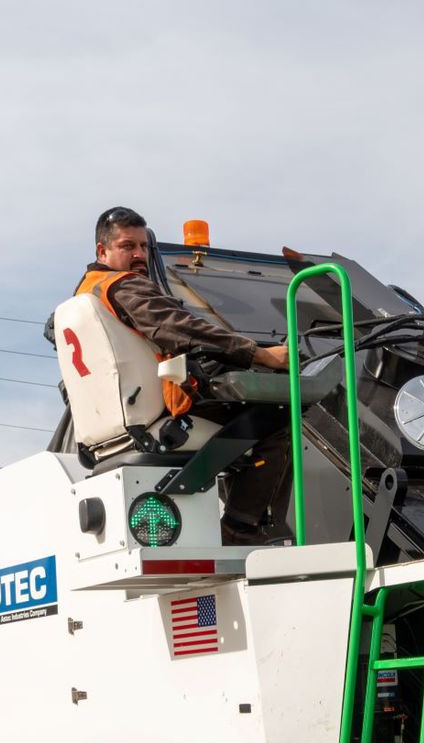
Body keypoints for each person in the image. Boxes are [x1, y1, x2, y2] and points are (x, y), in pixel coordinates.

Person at [67, 207, 294, 544]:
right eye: (128, 247)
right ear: (103, 251)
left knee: (249, 420)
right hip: (165, 416)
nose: (139, 255)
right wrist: (259, 354)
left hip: (116, 429)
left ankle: (247, 524)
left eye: (143, 247)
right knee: (277, 420)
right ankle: (241, 529)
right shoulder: (126, 287)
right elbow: (180, 328)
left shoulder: (85, 295)